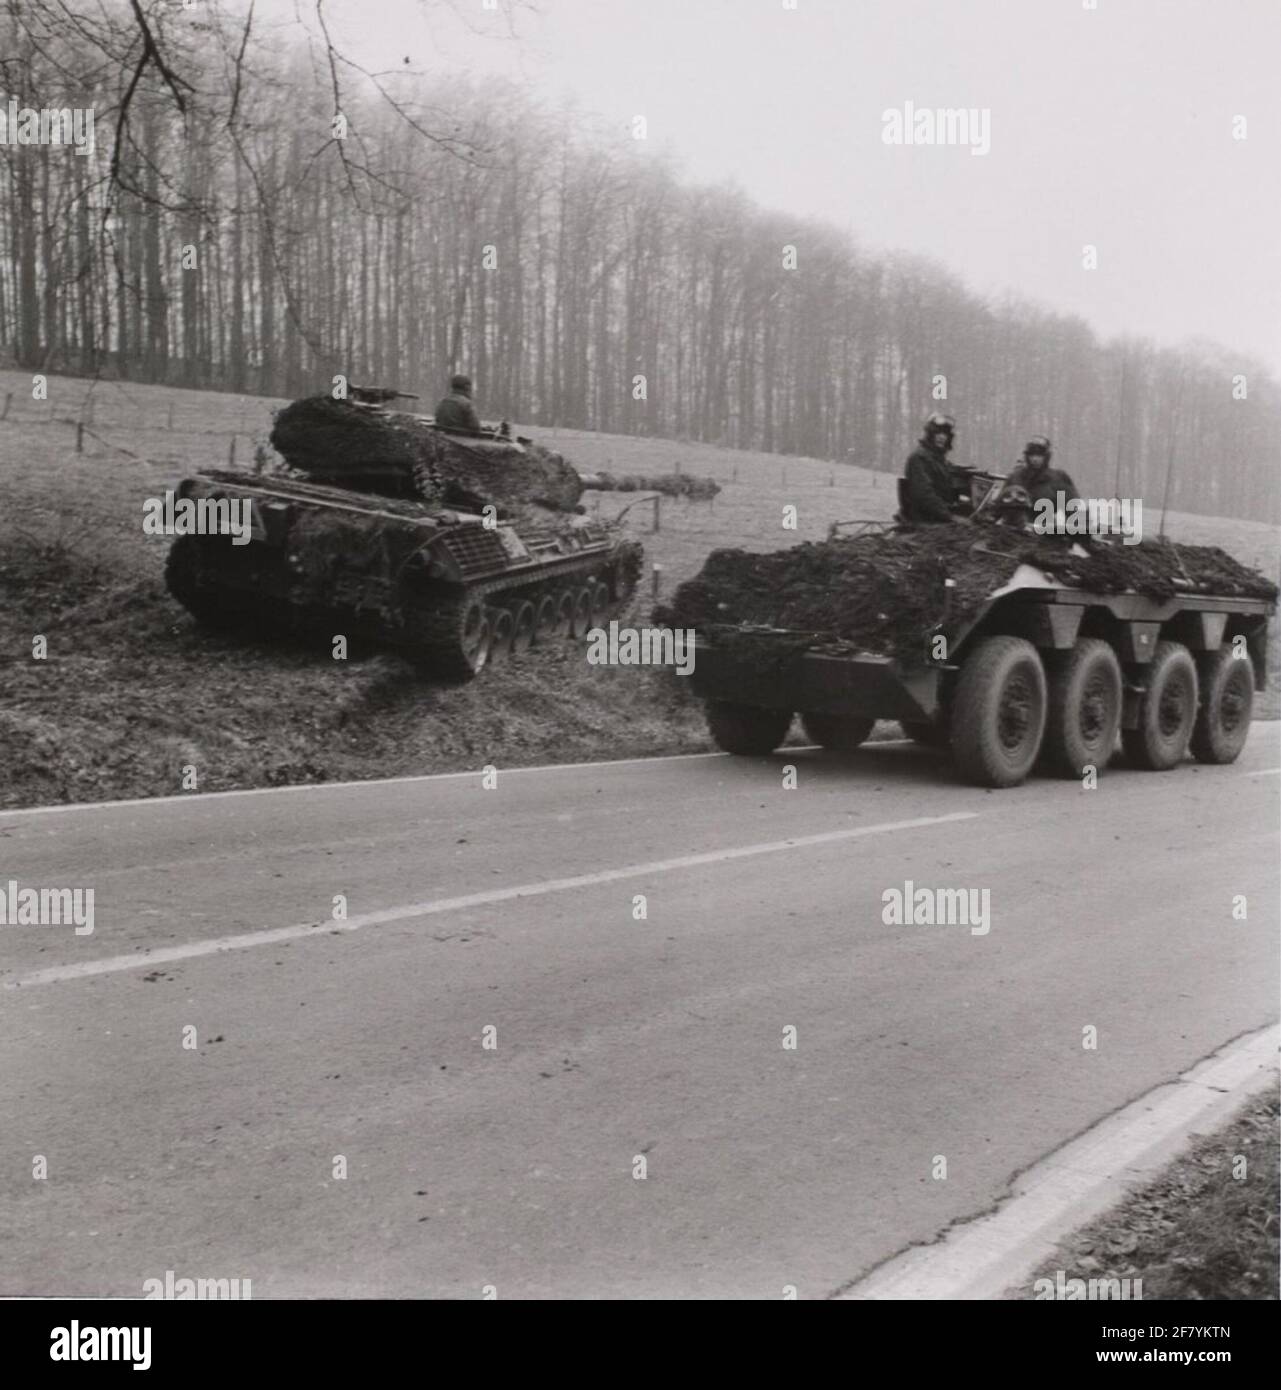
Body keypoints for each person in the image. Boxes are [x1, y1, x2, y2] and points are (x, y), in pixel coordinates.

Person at [901, 413, 967, 524]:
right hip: (925, 520)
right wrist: (950, 517)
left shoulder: (941, 462)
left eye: (945, 434)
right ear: (930, 434)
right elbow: (924, 495)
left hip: (938, 517)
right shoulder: (919, 458)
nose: (942, 437)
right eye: (938, 433)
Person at [1003, 436, 1079, 510]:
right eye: (1032, 455)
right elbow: (998, 508)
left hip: (1046, 520)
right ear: (1027, 456)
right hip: (1017, 521)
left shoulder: (1058, 479)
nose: (1035, 459)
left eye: (1039, 455)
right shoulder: (1015, 478)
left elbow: (1074, 508)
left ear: (1046, 457)